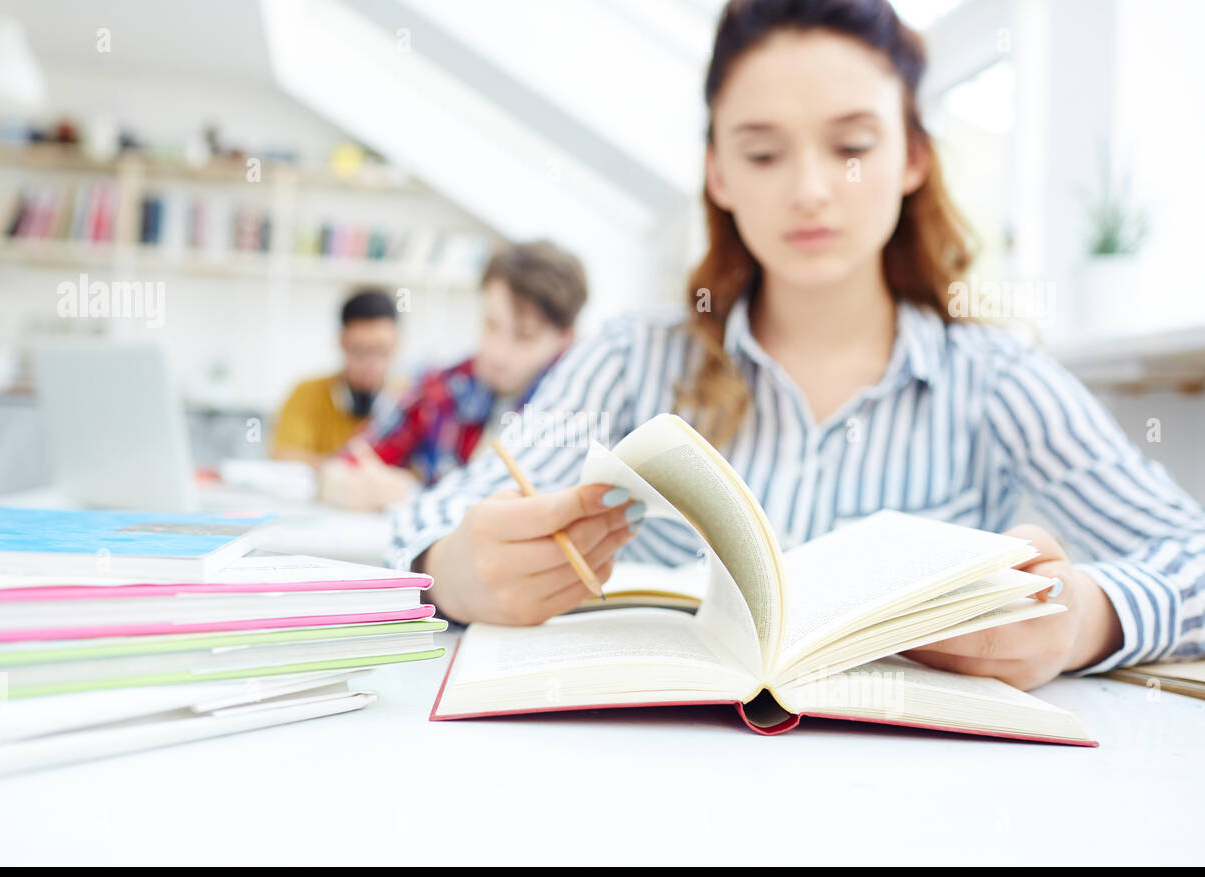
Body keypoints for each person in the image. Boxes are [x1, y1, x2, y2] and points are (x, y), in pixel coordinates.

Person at [385, 0, 1205, 691]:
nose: (811, 189)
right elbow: (418, 525)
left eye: (851, 147)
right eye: (764, 152)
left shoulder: (996, 377)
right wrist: (458, 570)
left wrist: (1083, 619)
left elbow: (1193, 557)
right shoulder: (628, 358)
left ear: (913, 156)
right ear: (718, 174)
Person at [321, 239, 588, 511]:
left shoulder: (577, 410)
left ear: (565, 339)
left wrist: (414, 498)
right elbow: (345, 463)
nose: (497, 351)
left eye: (525, 336)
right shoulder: (442, 386)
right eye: (491, 324)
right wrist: (351, 485)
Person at [270, 290, 399, 465]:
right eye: (359, 350)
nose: (371, 363)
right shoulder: (306, 394)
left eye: (381, 350)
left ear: (397, 343)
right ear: (342, 342)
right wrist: (345, 466)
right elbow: (282, 457)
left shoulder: (410, 401)